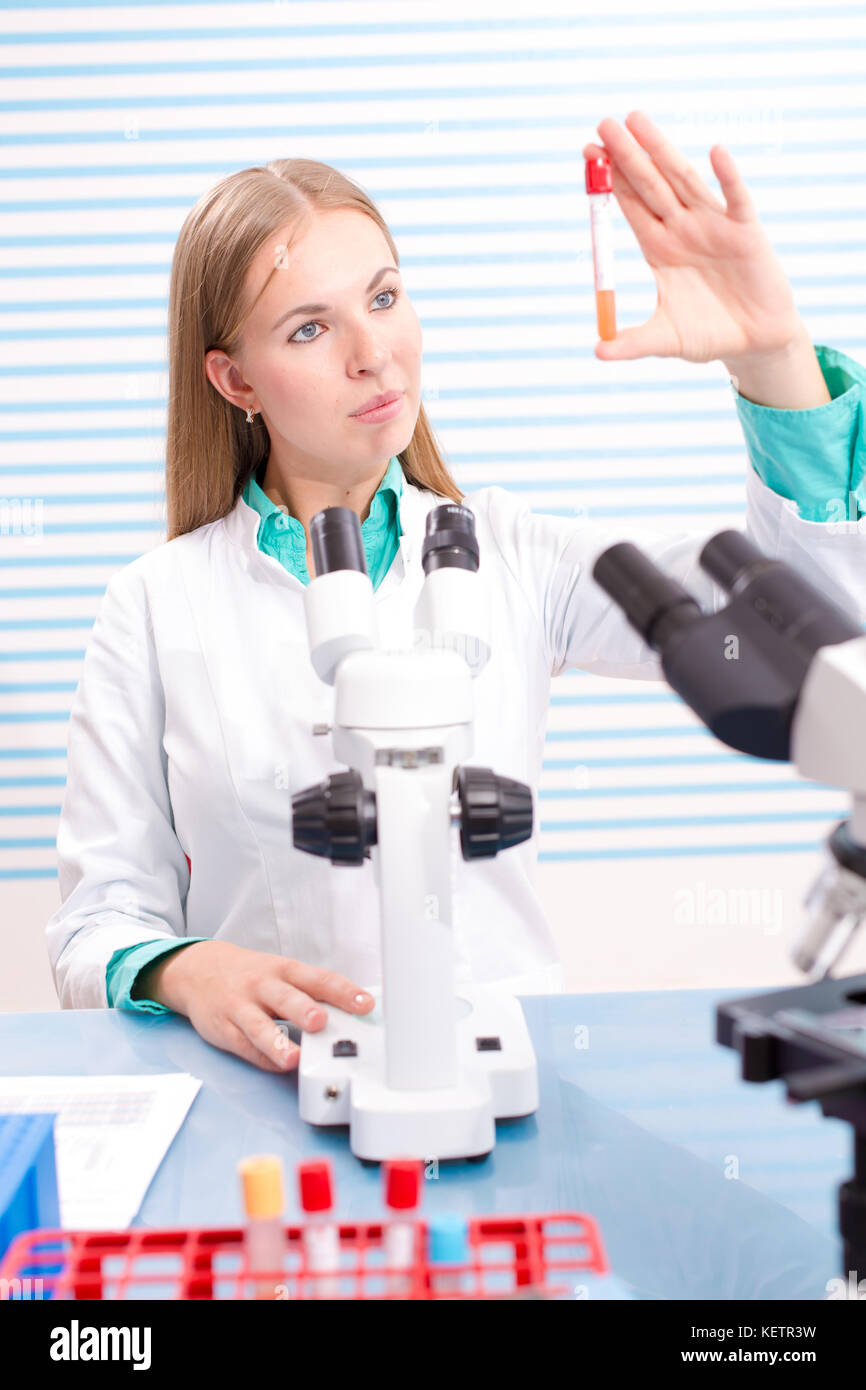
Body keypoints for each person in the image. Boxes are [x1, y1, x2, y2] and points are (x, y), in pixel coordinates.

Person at [46, 112, 866, 1076]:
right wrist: (186, 970)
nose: (372, 354)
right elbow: (96, 924)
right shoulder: (154, 605)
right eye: (310, 328)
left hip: (501, 1087)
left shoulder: (516, 557)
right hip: (268, 1097)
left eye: (383, 298)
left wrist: (771, 355)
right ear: (234, 381)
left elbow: (799, 627)